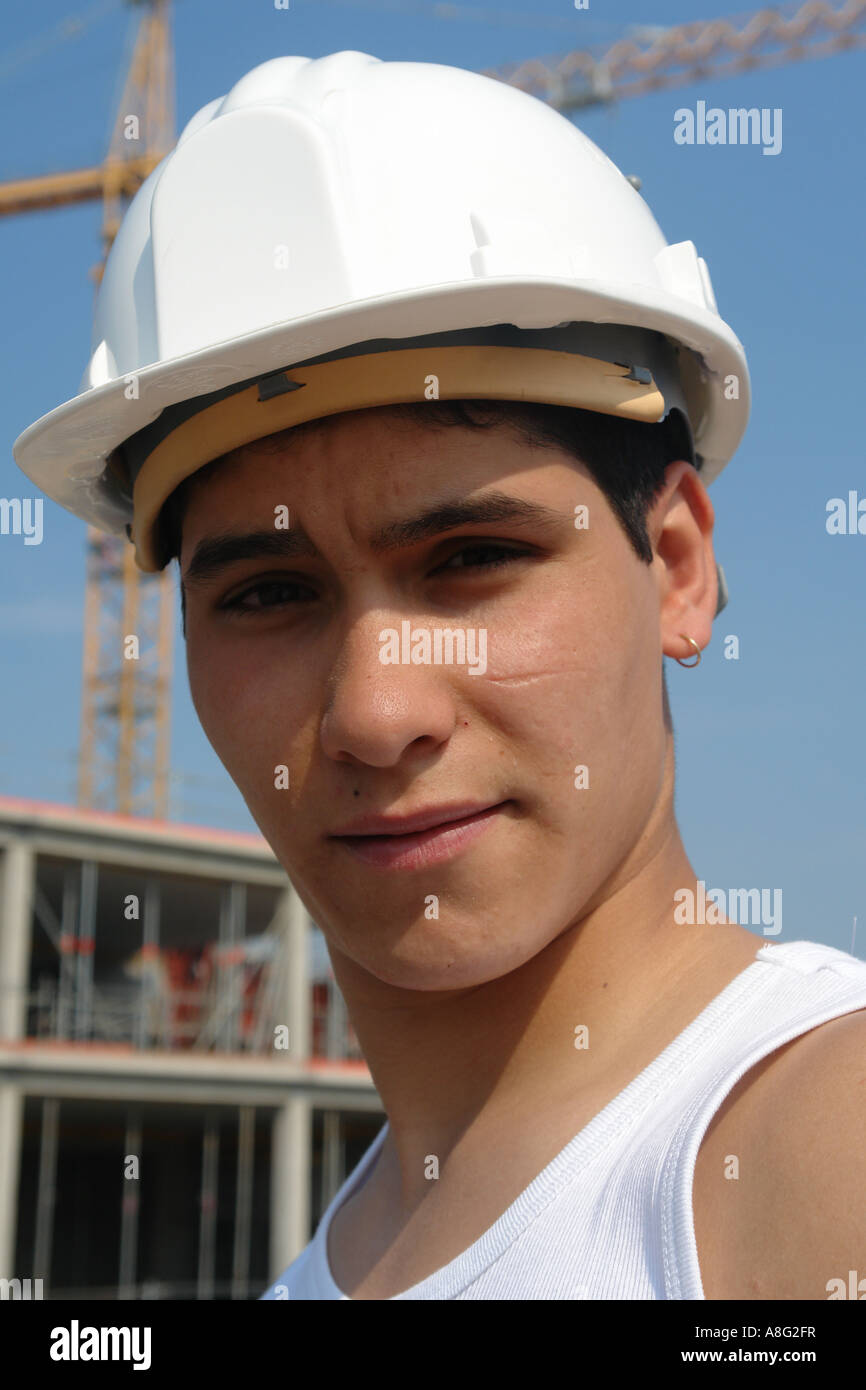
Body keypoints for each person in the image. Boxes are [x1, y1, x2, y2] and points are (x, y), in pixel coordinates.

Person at [14, 51, 866, 1302]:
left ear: (675, 565)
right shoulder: (331, 1261)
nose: (374, 710)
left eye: (471, 559)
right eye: (267, 594)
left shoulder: (812, 1157)